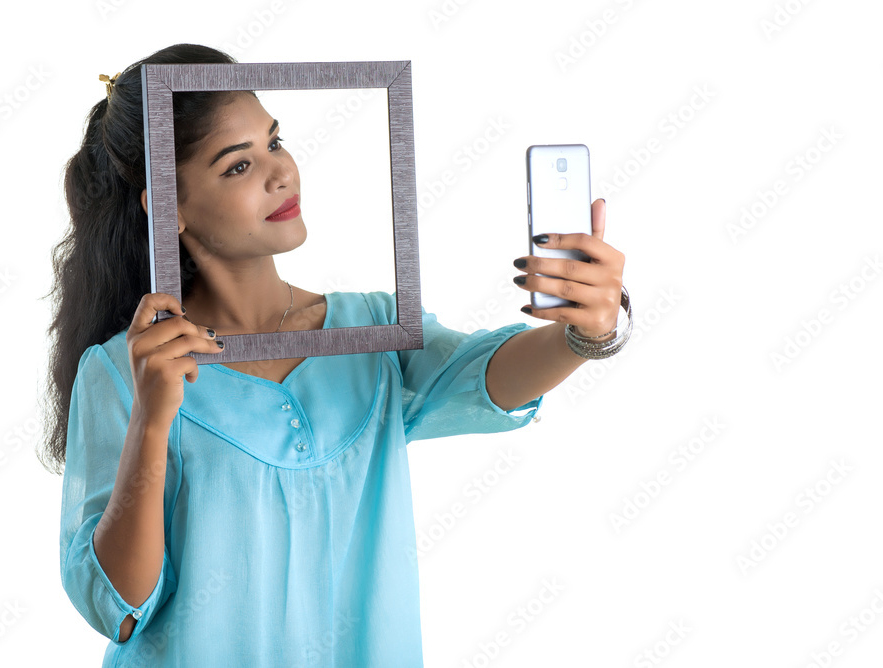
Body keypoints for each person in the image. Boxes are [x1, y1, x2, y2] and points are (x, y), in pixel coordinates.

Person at [41, 43, 629, 667]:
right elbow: (120, 607)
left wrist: (586, 332)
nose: (281, 173)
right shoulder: (124, 369)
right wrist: (152, 421)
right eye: (237, 166)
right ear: (170, 209)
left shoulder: (369, 328)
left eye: (274, 140)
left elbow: (484, 377)